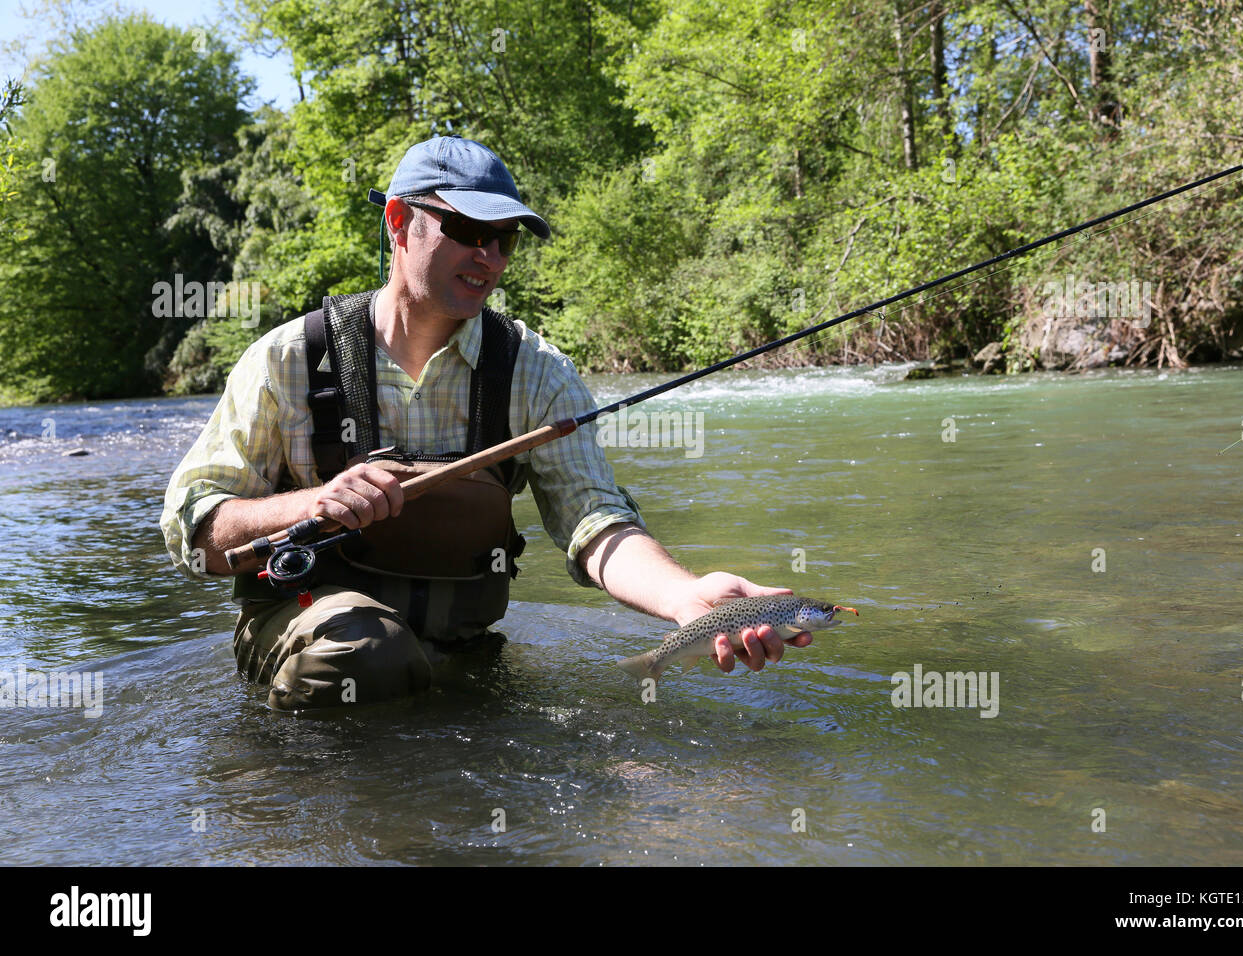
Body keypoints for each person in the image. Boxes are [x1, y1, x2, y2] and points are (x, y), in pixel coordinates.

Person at [160, 134, 812, 711]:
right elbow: (194, 529)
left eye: (505, 240)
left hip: (463, 655)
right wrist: (312, 505)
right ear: (397, 222)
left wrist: (684, 597)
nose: (490, 258)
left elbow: (595, 521)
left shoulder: (533, 371)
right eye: (469, 231)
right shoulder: (286, 362)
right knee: (364, 650)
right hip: (307, 636)